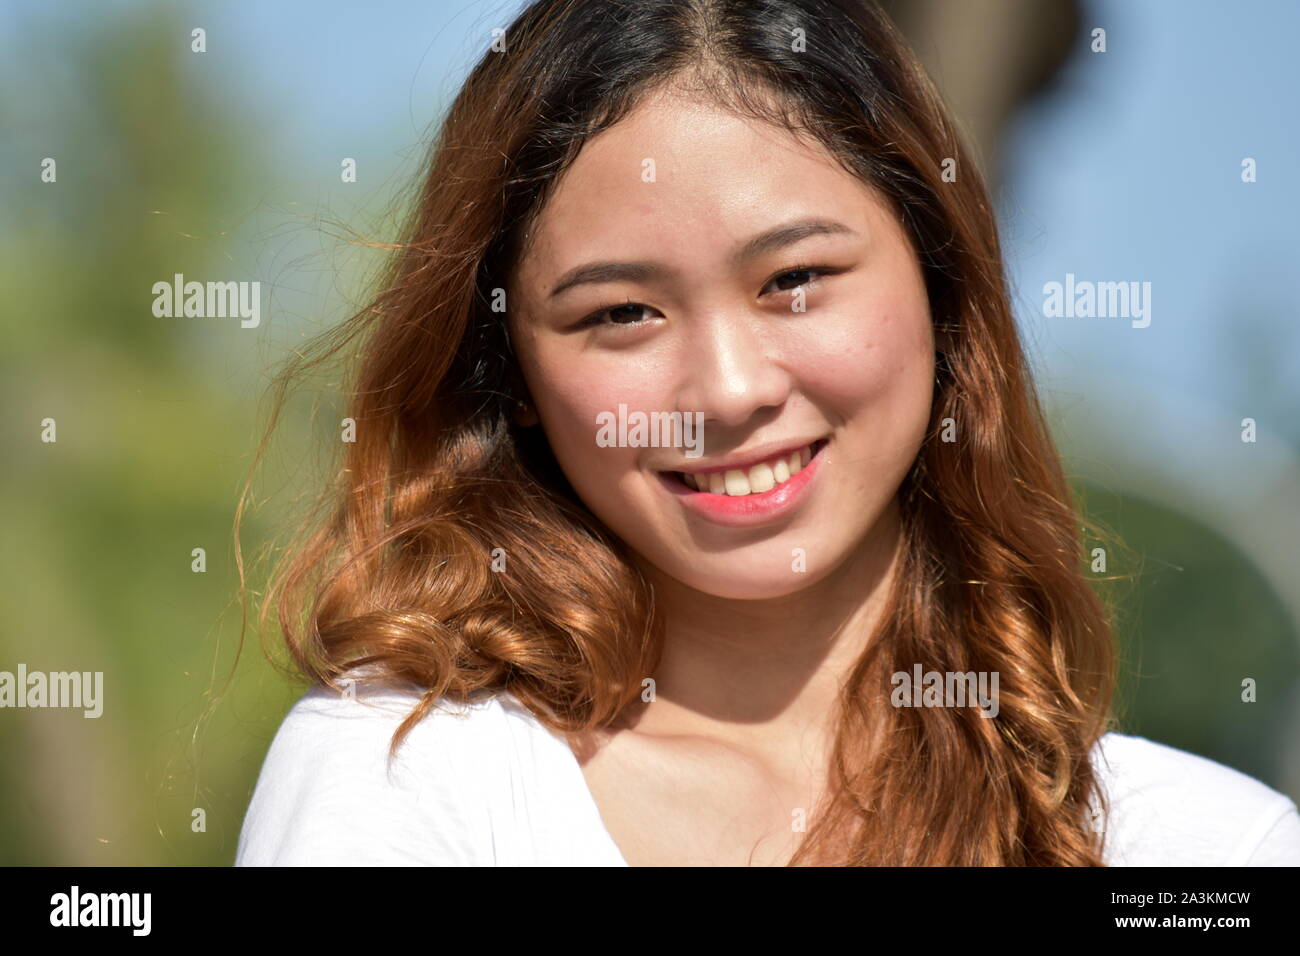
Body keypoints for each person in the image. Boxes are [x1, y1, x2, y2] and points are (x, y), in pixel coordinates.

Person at [234, 0, 1300, 866]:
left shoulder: (1201, 845)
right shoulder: (408, 779)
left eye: (794, 280)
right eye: (620, 313)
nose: (729, 388)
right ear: (509, 369)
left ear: (941, 290)